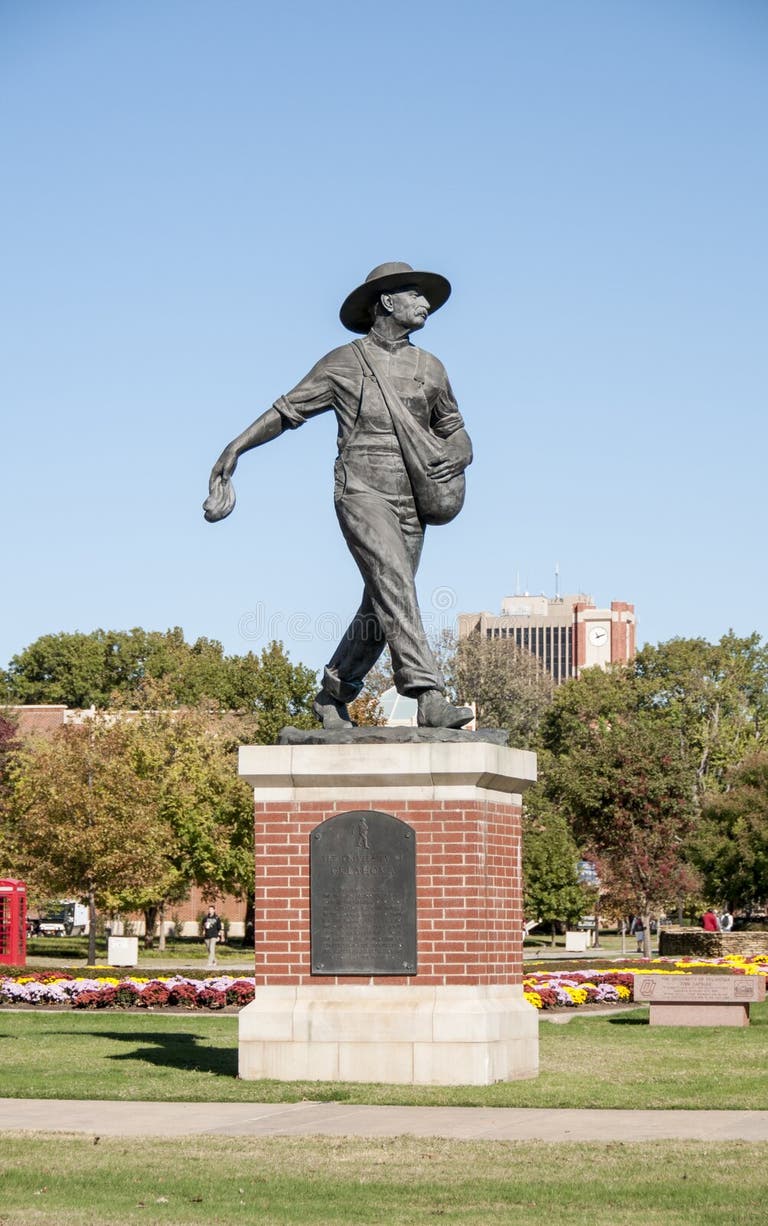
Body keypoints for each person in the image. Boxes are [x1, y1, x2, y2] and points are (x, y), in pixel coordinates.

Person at [204, 262, 474, 730]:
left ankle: (333, 694)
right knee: (395, 582)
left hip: (412, 497)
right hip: (361, 492)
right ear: (387, 302)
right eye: (416, 295)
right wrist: (236, 448)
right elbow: (287, 411)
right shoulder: (343, 363)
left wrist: (460, 455)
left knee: (383, 602)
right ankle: (426, 694)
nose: (426, 304)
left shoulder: (431, 367)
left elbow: (455, 429)